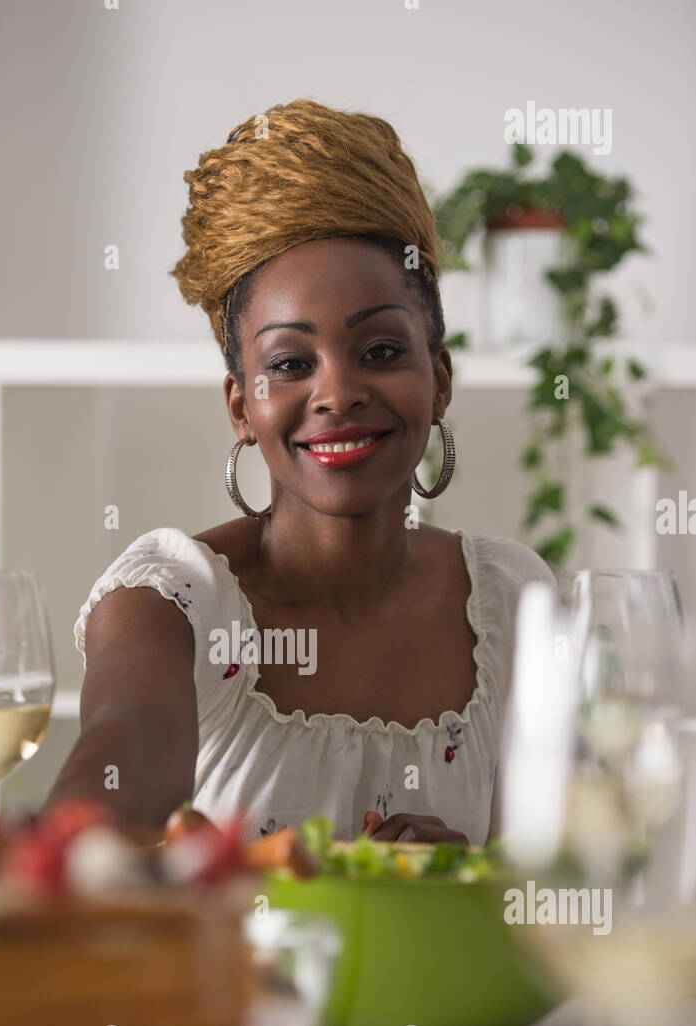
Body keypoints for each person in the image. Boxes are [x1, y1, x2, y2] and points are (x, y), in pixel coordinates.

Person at [47, 99, 554, 845]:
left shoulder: (515, 602)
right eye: (289, 363)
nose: (339, 393)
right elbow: (127, 754)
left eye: (381, 351)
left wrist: (462, 888)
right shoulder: (172, 599)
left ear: (438, 379)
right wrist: (66, 841)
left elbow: (566, 875)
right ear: (240, 407)